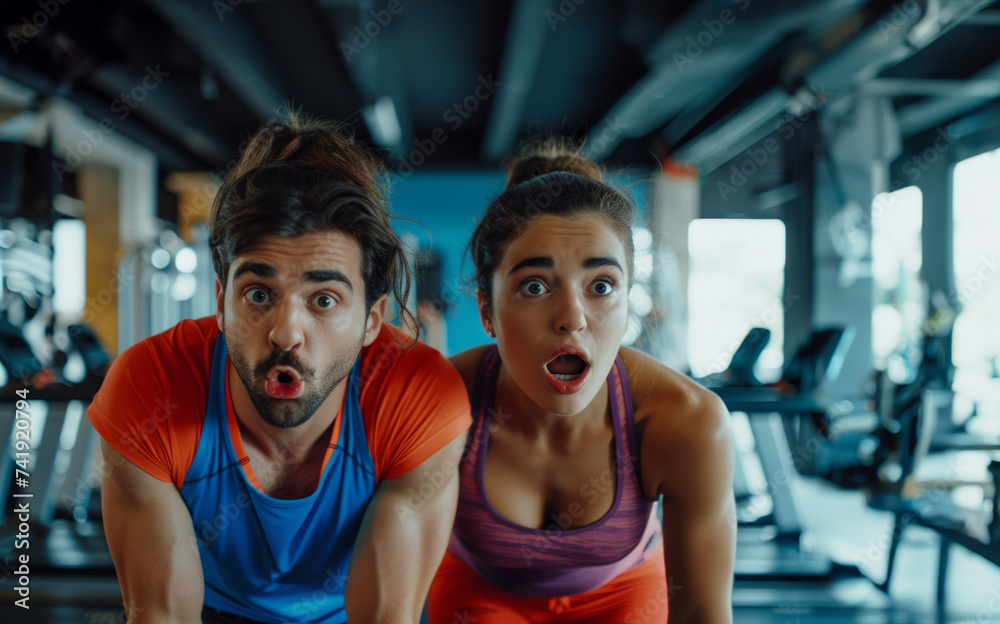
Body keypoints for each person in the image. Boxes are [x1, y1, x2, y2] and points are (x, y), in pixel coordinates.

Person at [89, 113, 471, 624]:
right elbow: (162, 616)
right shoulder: (150, 384)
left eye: (324, 299)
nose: (286, 332)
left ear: (372, 321)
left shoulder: (419, 395)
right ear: (221, 302)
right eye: (259, 294)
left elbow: (385, 617)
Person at [427, 142, 736, 623]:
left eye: (601, 286)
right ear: (487, 309)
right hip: (481, 591)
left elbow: (702, 615)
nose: (572, 318)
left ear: (628, 299)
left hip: (625, 590)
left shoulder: (686, 420)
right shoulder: (439, 403)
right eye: (534, 286)